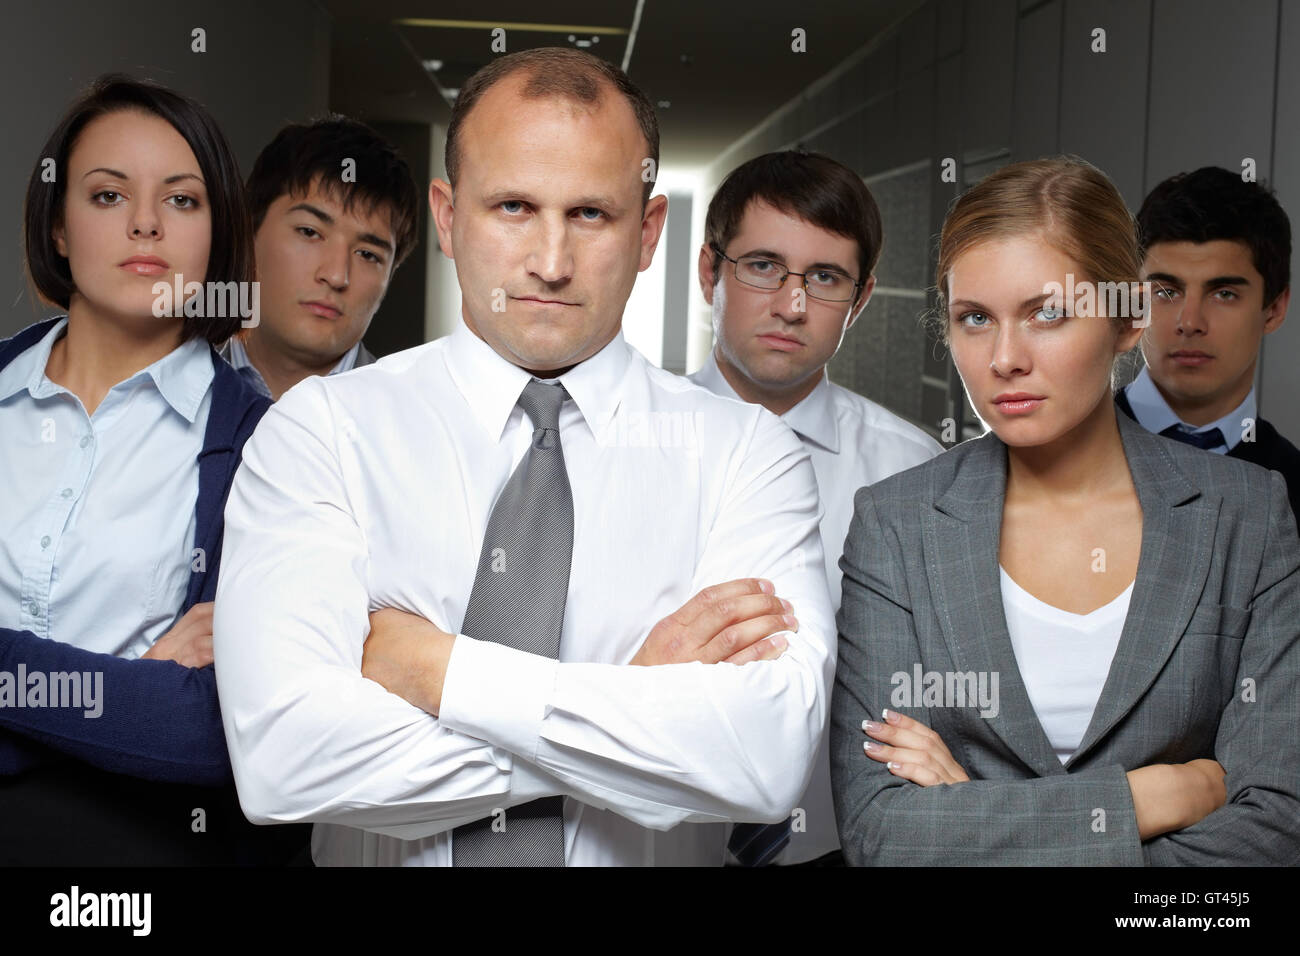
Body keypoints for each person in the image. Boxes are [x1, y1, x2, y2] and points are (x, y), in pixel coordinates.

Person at [213, 47, 835, 867]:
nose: (550, 261)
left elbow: (762, 762)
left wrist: (437, 673)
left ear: (648, 233)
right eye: (512, 207)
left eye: (590, 215)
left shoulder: (747, 457)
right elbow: (284, 765)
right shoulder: (322, 431)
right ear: (446, 217)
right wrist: (635, 704)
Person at [831, 157, 1300, 865]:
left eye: (1048, 314)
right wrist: (1147, 800)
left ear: (1128, 321)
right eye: (975, 318)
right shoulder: (897, 525)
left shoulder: (1250, 514)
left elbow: (1272, 827)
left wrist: (976, 818)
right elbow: (881, 832)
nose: (1005, 357)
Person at [0, 74, 306, 864]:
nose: (144, 224)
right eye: (107, 196)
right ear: (58, 226)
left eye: (181, 200)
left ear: (216, 235)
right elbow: (145, 713)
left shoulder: (263, 446)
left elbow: (210, 730)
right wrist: (120, 684)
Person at [690, 150, 942, 866]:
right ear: (711, 272)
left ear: (859, 302)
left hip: (838, 848)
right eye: (763, 266)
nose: (791, 304)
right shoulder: (621, 445)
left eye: (825, 278)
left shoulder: (914, 472)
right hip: (645, 840)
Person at [1116, 166, 1300, 522]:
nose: (1190, 323)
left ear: (1274, 309)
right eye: (1166, 291)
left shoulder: (1294, 492)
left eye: (1224, 294)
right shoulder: (1061, 456)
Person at [219, 117, 420, 400]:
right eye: (309, 232)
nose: (337, 275)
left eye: (367, 254)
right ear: (247, 233)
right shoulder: (161, 390)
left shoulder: (412, 419)